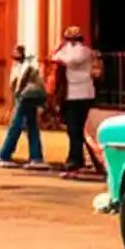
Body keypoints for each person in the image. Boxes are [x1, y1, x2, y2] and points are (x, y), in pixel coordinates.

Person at [52, 26, 97, 179]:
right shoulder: (69, 50)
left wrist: (61, 51)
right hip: (72, 95)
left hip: (82, 94)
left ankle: (76, 160)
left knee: (76, 129)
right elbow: (55, 56)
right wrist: (59, 49)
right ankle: (78, 159)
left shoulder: (82, 51)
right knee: (74, 130)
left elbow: (70, 60)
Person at [0, 45, 47, 170]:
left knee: (17, 126)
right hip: (28, 97)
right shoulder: (24, 65)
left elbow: (18, 84)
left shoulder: (27, 66)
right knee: (31, 127)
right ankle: (36, 157)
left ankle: (5, 154)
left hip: (25, 97)